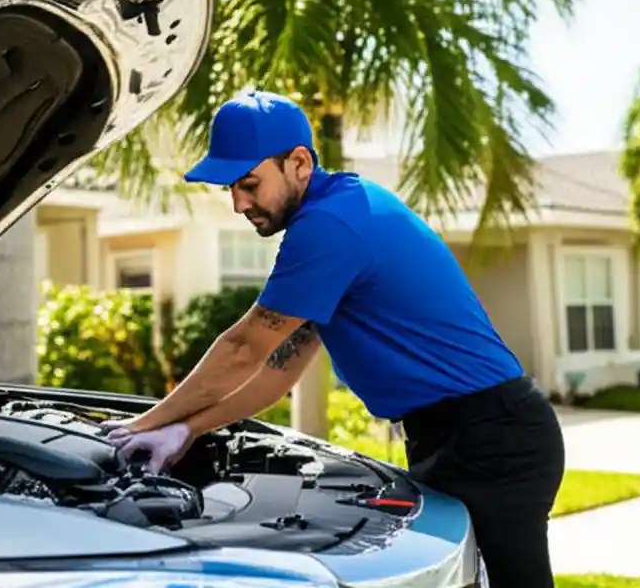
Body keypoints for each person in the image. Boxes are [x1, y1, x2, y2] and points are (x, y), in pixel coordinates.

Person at [105, 89, 565, 587]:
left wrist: (142, 425)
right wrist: (186, 429)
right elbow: (275, 375)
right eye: (231, 189)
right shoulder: (338, 210)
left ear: (299, 163)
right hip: (466, 433)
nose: (239, 203)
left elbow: (244, 348)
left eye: (249, 184)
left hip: (494, 438)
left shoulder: (330, 225)